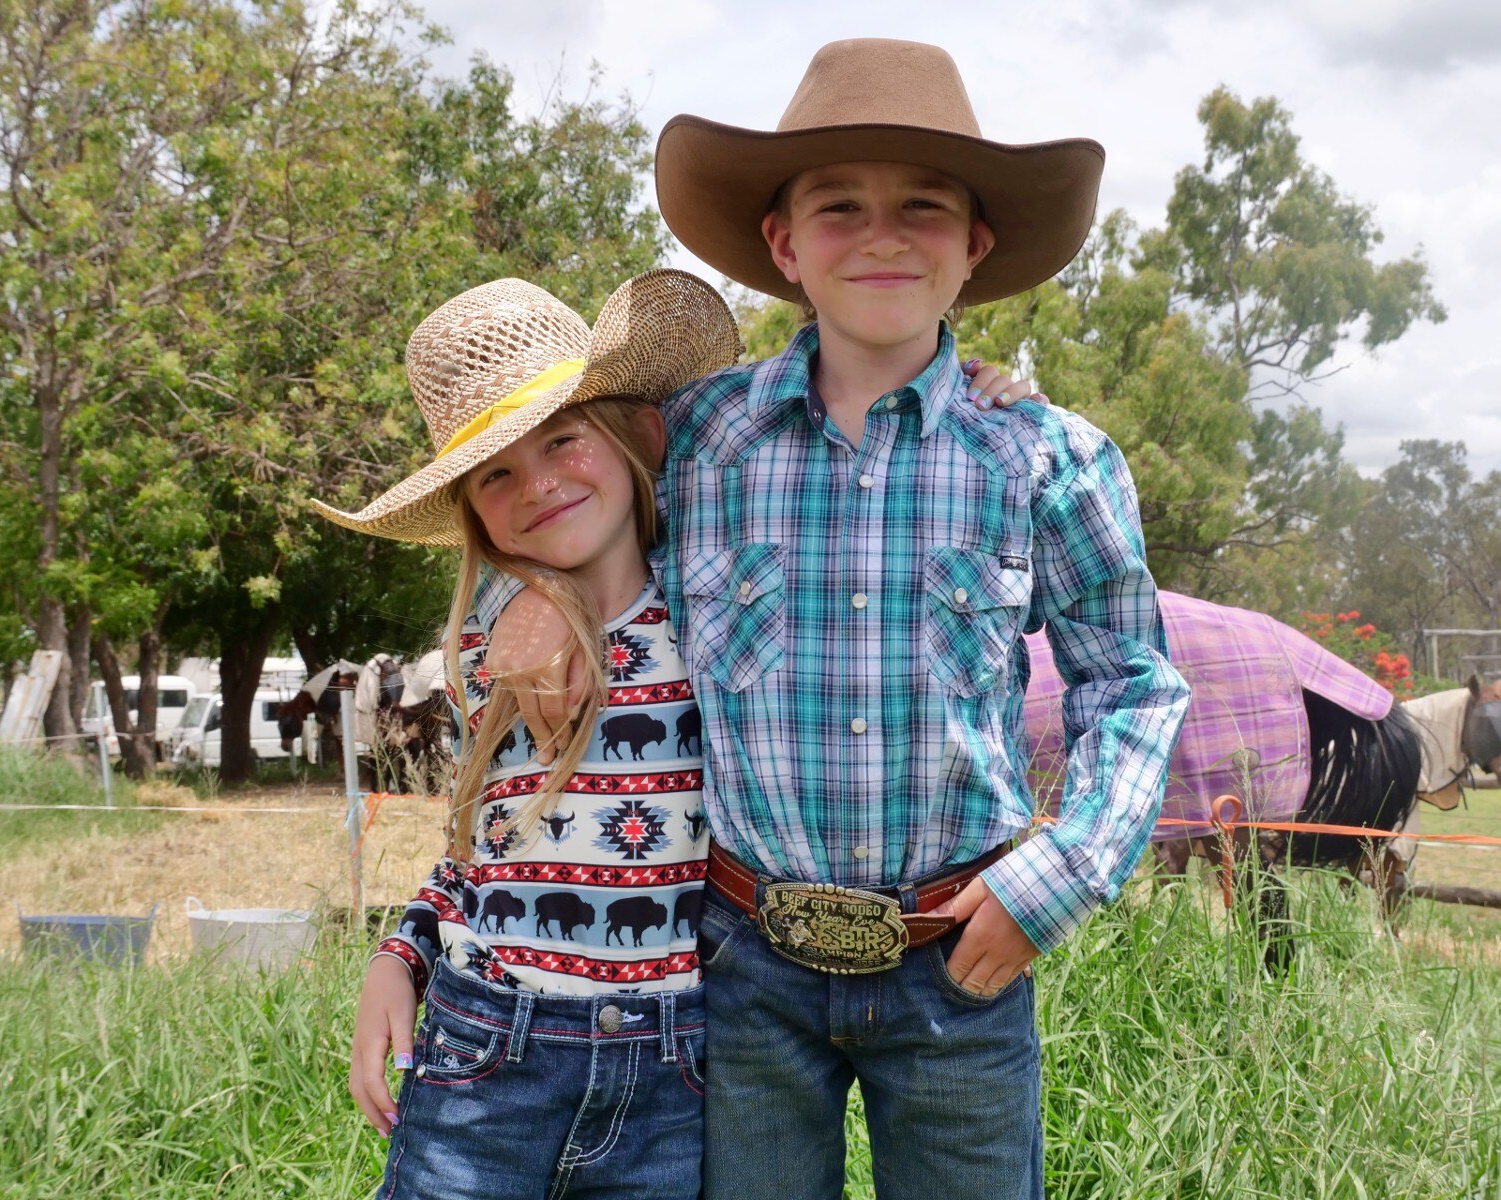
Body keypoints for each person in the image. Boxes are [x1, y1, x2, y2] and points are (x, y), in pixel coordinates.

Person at [493, 38, 1194, 1199]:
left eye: (923, 206)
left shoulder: (1046, 459)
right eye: (839, 206)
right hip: (742, 961)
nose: (882, 235)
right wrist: (536, 599)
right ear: (783, 245)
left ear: (974, 246)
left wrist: (1062, 875)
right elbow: (562, 516)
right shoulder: (696, 439)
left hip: (961, 951)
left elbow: (1132, 682)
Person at [312, 269, 743, 1199]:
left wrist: (992, 393)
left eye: (563, 439)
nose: (538, 483)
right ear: (473, 507)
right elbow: (482, 849)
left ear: (627, 435)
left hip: (670, 1070)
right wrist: (403, 952)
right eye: (495, 472)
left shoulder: (717, 616)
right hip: (486, 1047)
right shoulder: (482, 651)